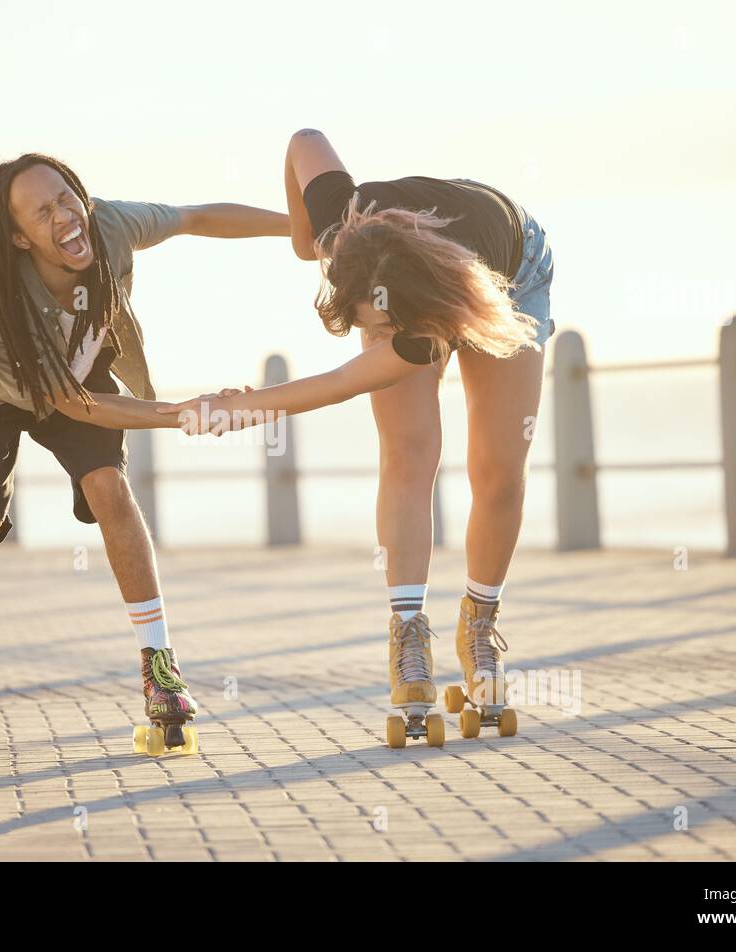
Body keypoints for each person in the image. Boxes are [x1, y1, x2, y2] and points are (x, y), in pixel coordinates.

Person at [0, 153, 287, 766]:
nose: (64, 217)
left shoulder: (109, 225)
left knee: (110, 489)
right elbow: (75, 407)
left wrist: (302, 231)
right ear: (20, 237)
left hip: (74, 367)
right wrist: (186, 412)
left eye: (66, 197)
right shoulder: (3, 306)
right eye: (42, 213)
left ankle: (161, 670)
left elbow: (197, 216)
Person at [164, 128, 555, 738]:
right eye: (370, 327)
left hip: (511, 263)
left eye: (387, 330)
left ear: (416, 321)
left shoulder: (424, 318)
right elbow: (304, 141)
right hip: (398, 262)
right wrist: (302, 241)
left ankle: (479, 626)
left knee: (499, 470)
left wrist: (248, 407)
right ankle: (408, 635)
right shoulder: (338, 228)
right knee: (409, 452)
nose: (376, 338)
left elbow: (340, 383)